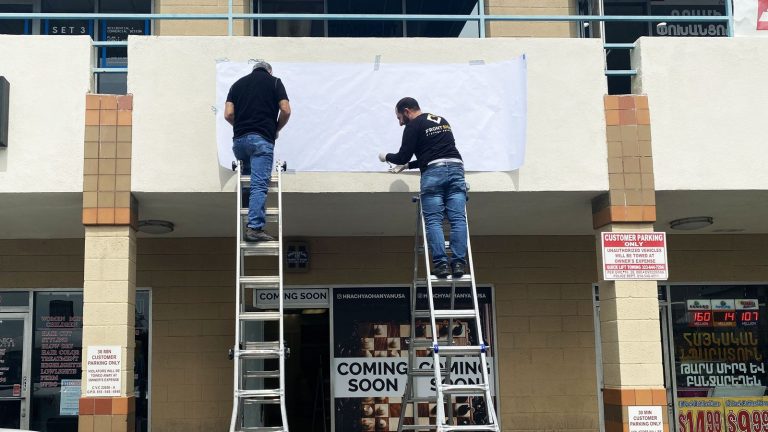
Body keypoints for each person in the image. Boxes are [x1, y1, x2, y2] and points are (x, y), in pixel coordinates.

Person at [379, 97, 468, 279]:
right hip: (456, 169)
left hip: (434, 175)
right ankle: (458, 263)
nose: (400, 123)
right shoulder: (441, 120)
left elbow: (402, 156)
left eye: (399, 118)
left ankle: (442, 265)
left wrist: (385, 156)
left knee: (434, 221)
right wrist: (408, 166)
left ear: (406, 111)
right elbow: (433, 153)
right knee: (458, 220)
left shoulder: (413, 125)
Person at [225, 60, 291, 242]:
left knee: (247, 182)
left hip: (239, 142)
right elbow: (285, 109)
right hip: (261, 139)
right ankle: (254, 228)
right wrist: (275, 129)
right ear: (269, 71)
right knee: (259, 184)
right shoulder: (275, 82)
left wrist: (240, 126)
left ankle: (248, 221)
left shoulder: (237, 85)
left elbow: (228, 114)